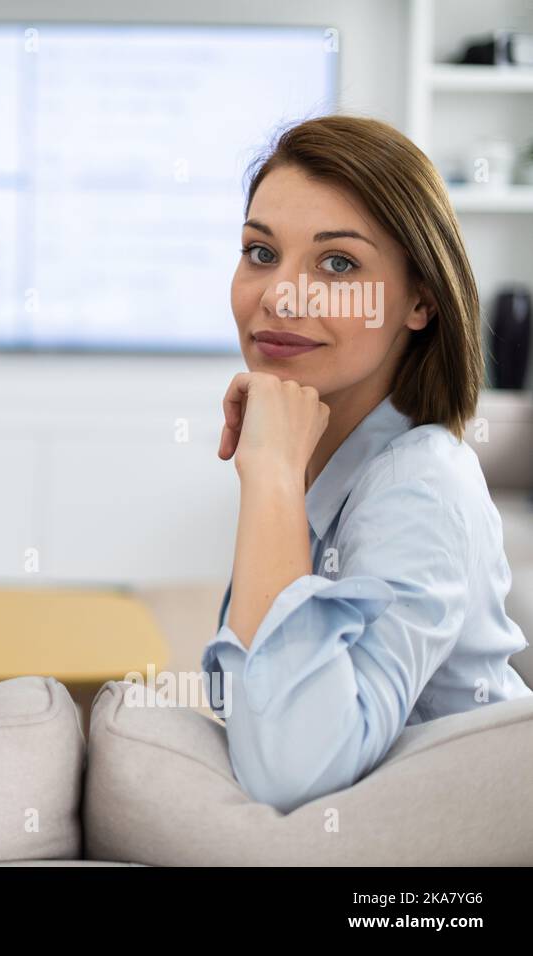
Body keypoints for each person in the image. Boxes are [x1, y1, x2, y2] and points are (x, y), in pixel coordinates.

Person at [204, 114, 532, 813]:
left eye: (339, 263)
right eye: (260, 252)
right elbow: (243, 703)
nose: (280, 295)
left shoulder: (421, 485)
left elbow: (291, 772)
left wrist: (269, 480)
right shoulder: (320, 455)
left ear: (420, 299)